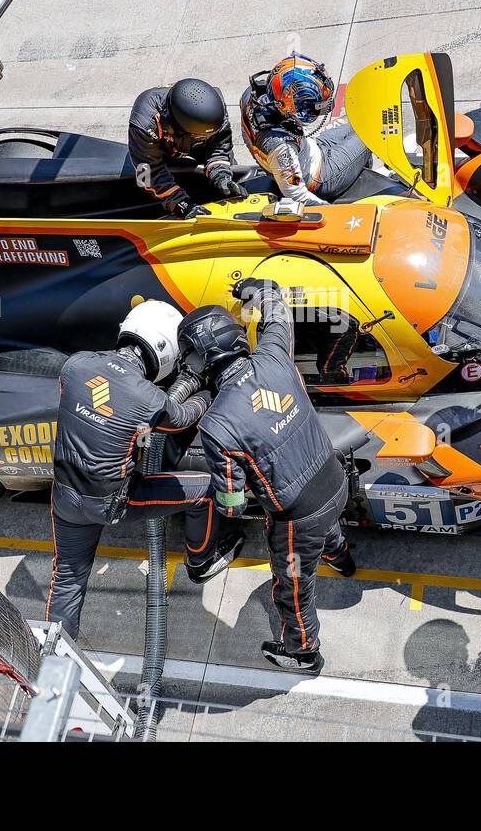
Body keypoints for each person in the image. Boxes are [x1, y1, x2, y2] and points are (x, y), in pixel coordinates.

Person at [178, 280, 355, 674]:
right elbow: (278, 314)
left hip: (297, 521)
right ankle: (341, 556)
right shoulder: (274, 356)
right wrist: (261, 290)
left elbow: (232, 504)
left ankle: (303, 651)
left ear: (202, 361)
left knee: (292, 589)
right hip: (335, 480)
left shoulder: (217, 425)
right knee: (328, 526)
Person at [47, 300, 244, 638]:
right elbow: (180, 418)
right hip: (112, 503)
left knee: (67, 578)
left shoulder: (75, 366)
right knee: (209, 491)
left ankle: (48, 658)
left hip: (65, 498)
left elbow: (101, 394)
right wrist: (205, 393)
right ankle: (200, 562)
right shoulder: (148, 398)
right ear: (164, 351)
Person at [239, 54, 370, 205]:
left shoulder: (251, 96)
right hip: (321, 176)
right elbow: (296, 194)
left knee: (361, 118)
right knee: (370, 132)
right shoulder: (281, 147)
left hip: (311, 148)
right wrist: (331, 212)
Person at [128, 78, 243, 218]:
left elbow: (220, 147)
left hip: (193, 146)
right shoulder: (144, 124)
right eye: (199, 136)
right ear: (172, 127)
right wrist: (181, 204)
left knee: (229, 183)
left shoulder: (216, 110)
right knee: (149, 188)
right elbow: (146, 173)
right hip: (160, 152)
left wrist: (221, 176)